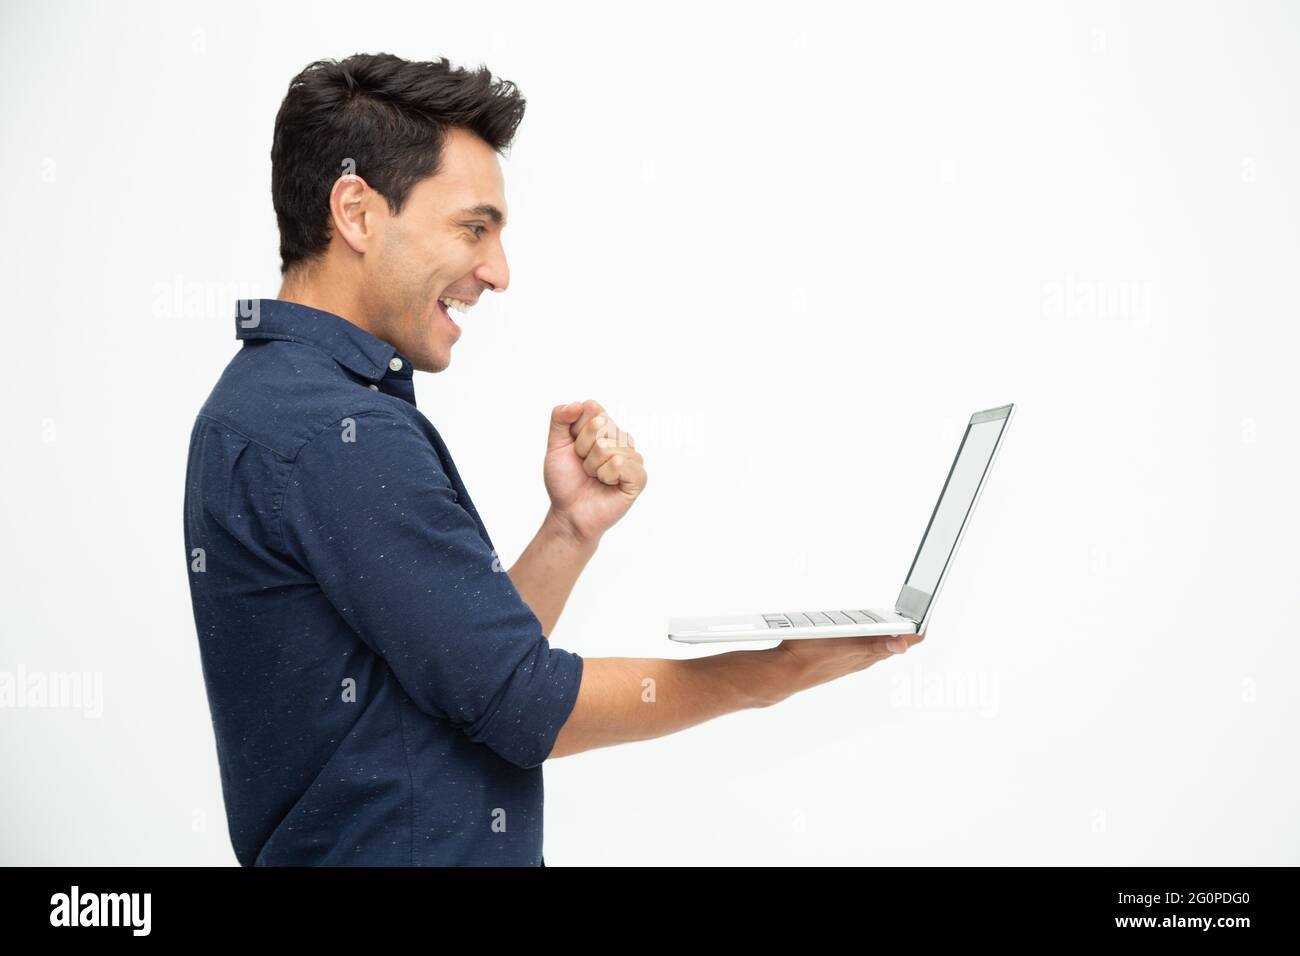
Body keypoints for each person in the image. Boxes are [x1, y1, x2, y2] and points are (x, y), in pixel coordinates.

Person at [183, 52, 923, 867]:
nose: (498, 271)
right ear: (357, 211)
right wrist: (769, 674)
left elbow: (473, 687)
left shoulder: (264, 402)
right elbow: (524, 706)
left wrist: (571, 528)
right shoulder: (338, 432)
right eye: (475, 227)